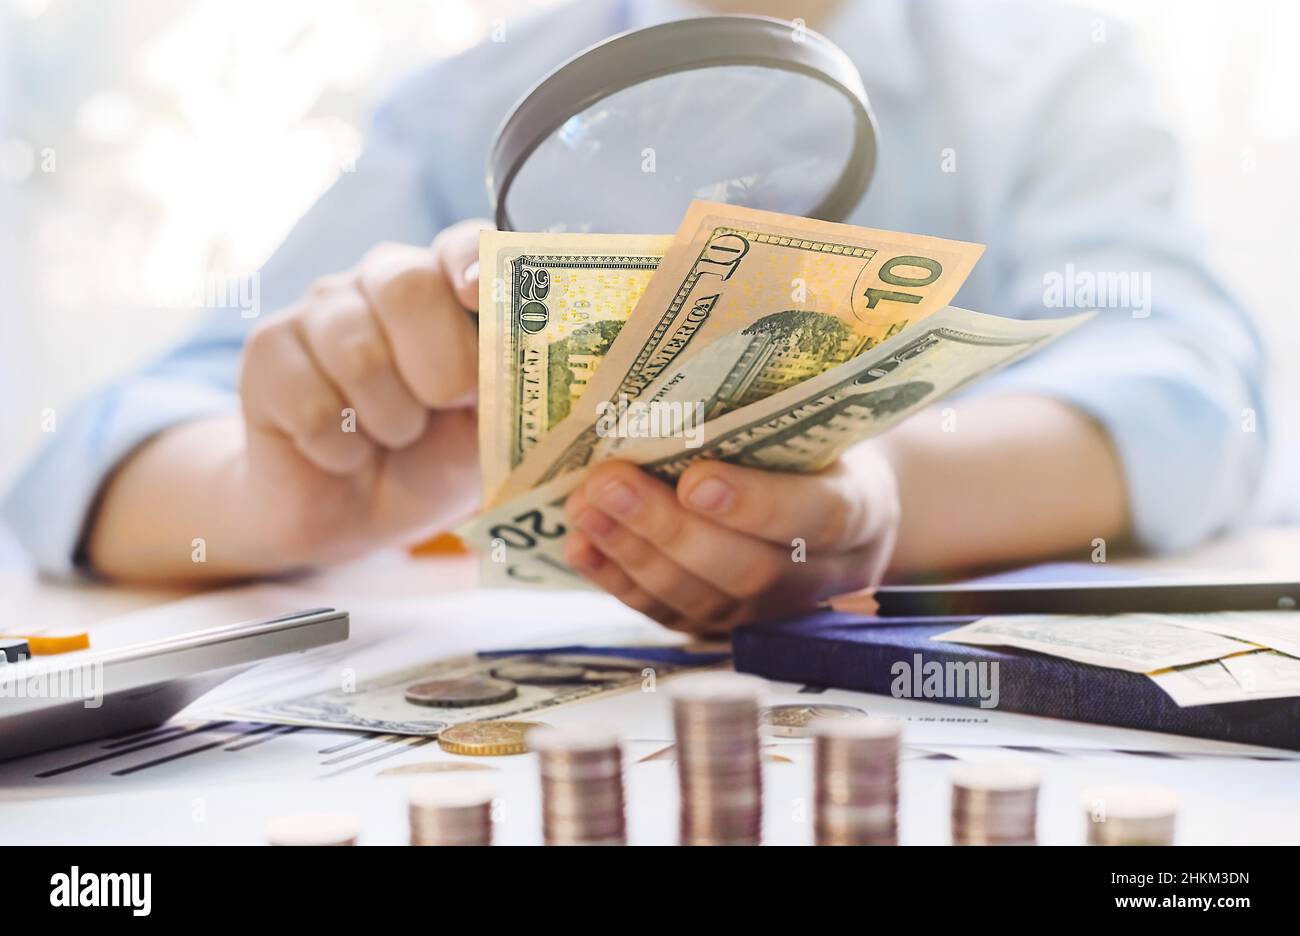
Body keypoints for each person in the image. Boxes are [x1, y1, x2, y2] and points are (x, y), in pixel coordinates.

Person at [1, 0, 1269, 634]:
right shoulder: (480, 101)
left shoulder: (1044, 62)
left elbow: (1188, 389)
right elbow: (93, 453)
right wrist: (288, 500)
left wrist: (878, 498)